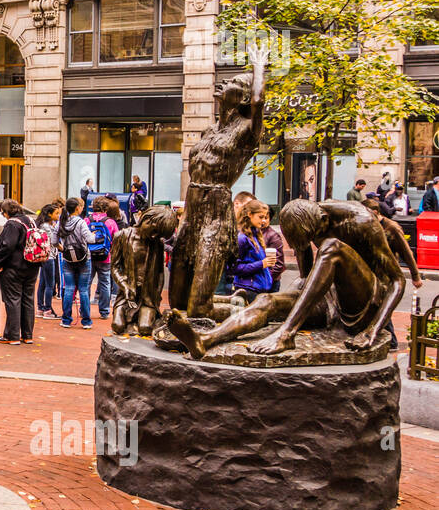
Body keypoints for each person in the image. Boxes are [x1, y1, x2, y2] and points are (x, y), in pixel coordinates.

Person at [169, 199, 404, 359]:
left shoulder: (362, 223)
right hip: (329, 298)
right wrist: (289, 298)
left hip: (363, 304)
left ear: (322, 220)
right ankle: (205, 339)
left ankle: (285, 334)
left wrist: (373, 331)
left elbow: (397, 281)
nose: (306, 245)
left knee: (332, 248)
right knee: (266, 301)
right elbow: (306, 275)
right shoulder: (303, 221)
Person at [170, 61, 265, 316]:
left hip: (215, 214)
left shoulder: (247, 131)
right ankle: (235, 302)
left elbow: (258, 103)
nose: (223, 83)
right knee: (176, 301)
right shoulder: (210, 130)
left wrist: (259, 67)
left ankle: (259, 313)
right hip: (191, 214)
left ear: (244, 95)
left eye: (233, 82)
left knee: (197, 309)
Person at [110, 204, 178, 336]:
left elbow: (159, 272)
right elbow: (115, 267)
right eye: (153, 231)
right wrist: (125, 286)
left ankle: (149, 316)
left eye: (158, 234)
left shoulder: (157, 244)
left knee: (145, 328)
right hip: (126, 295)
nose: (154, 236)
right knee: (117, 326)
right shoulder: (122, 236)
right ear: (146, 219)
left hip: (147, 297)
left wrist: (156, 297)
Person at [0, 200, 42, 344]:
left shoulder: (12, 224)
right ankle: (27, 335)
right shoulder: (30, 221)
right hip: (32, 265)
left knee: (13, 300)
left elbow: (7, 246)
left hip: (14, 267)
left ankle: (12, 336)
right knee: (28, 300)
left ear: (7, 211)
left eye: (3, 212)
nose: (3, 215)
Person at [56, 196, 96, 329]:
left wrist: (63, 249)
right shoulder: (81, 223)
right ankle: (86, 321)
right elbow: (90, 239)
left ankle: (66, 319)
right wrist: (95, 235)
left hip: (67, 259)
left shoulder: (61, 222)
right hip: (84, 259)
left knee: (69, 289)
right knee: (83, 290)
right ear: (77, 208)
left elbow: (53, 241)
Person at [231, 199, 277, 303]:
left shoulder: (256, 235)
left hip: (259, 289)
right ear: (249, 214)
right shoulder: (242, 238)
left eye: (265, 217)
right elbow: (233, 268)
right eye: (261, 217)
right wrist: (261, 264)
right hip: (248, 290)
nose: (264, 221)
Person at [87, 196, 119, 320]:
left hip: (89, 256)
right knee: (105, 283)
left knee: (87, 283)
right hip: (105, 256)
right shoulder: (110, 222)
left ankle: (85, 309)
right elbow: (116, 239)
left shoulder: (87, 220)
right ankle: (104, 311)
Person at [35, 202, 63, 320]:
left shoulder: (44, 224)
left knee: (42, 283)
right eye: (56, 213)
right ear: (49, 214)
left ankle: (40, 308)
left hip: (44, 256)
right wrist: (63, 249)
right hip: (49, 257)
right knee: (49, 284)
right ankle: (48, 310)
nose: (58, 215)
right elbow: (54, 241)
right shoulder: (46, 226)